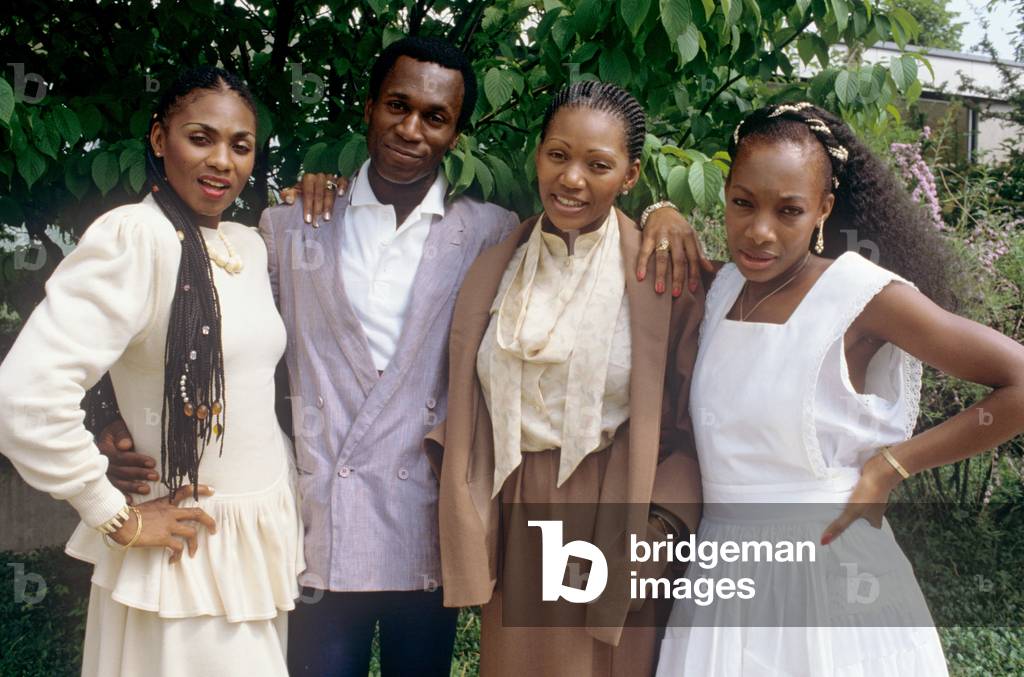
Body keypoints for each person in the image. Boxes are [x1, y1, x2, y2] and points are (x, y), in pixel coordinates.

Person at [103, 37, 707, 676]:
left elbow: (585, 226)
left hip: (429, 525)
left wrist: (664, 210)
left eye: (436, 117)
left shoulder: (490, 235)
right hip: (317, 526)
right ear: (368, 108)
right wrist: (115, 419)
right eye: (398, 105)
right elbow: (221, 339)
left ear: (456, 133)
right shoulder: (289, 227)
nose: (411, 129)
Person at [655, 102, 1024, 675]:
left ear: (823, 209)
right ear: (724, 189)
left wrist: (892, 466)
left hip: (829, 576)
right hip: (722, 575)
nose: (759, 231)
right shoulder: (725, 286)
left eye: (790, 211)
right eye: (742, 203)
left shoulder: (858, 293)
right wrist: (660, 210)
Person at [0, 66, 303, 676]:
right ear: (159, 138)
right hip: (183, 545)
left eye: (241, 146)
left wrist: (109, 416)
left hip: (256, 532)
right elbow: (24, 395)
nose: (223, 161)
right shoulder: (137, 237)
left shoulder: (245, 244)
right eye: (201, 138)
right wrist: (111, 510)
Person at [431, 80, 705, 677]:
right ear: (537, 154)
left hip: (615, 502)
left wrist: (658, 527)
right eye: (558, 155)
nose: (572, 179)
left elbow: (697, 420)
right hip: (517, 499)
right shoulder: (498, 262)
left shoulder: (661, 274)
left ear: (630, 177)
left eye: (598, 164)